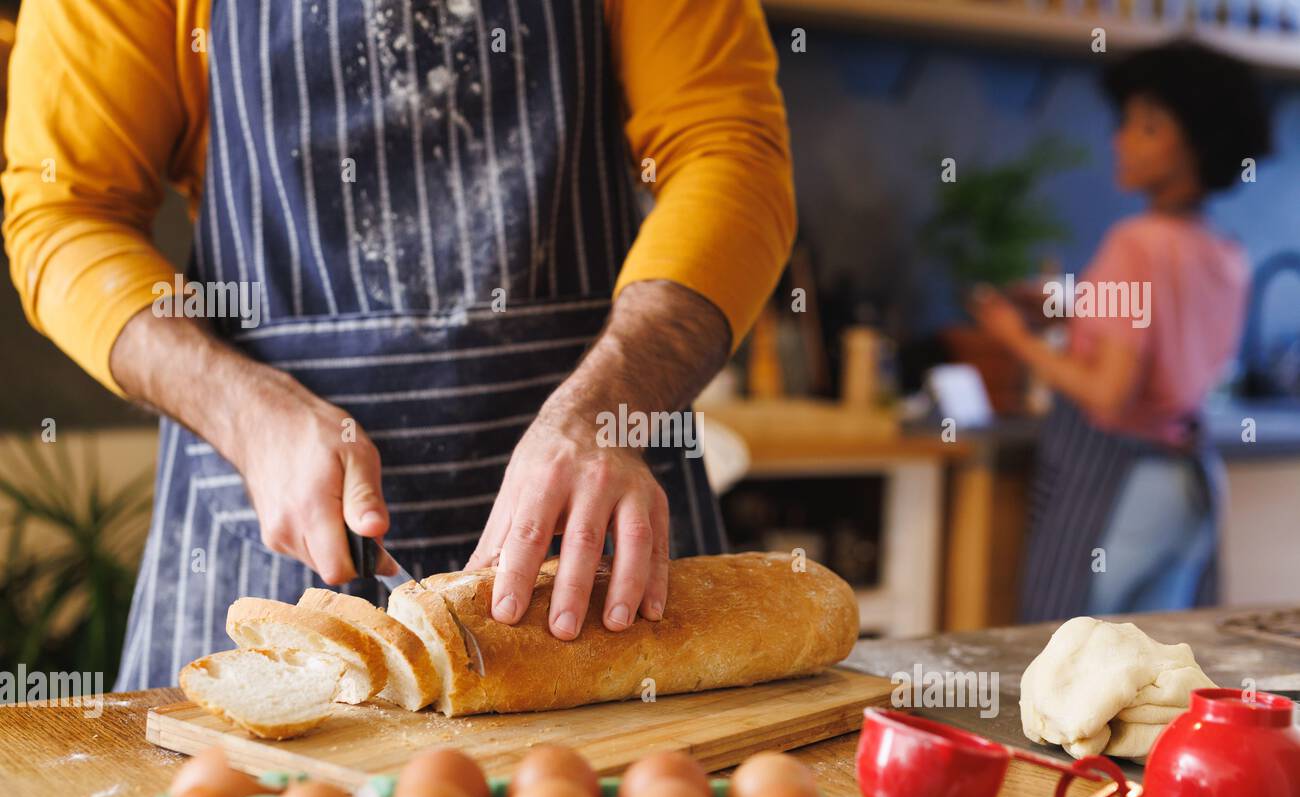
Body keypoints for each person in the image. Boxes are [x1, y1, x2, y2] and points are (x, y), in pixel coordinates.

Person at [2, 0, 795, 689]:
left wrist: (606, 410)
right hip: (266, 529)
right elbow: (65, 211)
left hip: (591, 542)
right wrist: (245, 413)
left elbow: (728, 152)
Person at [968, 40, 1271, 620]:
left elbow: (1110, 391)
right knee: (1155, 670)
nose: (1122, 139)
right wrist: (1063, 310)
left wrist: (1014, 336)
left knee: (1082, 661)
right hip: (1188, 486)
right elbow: (1151, 326)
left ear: (1197, 146)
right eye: (1127, 122)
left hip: (1119, 487)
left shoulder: (1136, 242)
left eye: (1147, 127)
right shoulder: (1223, 250)